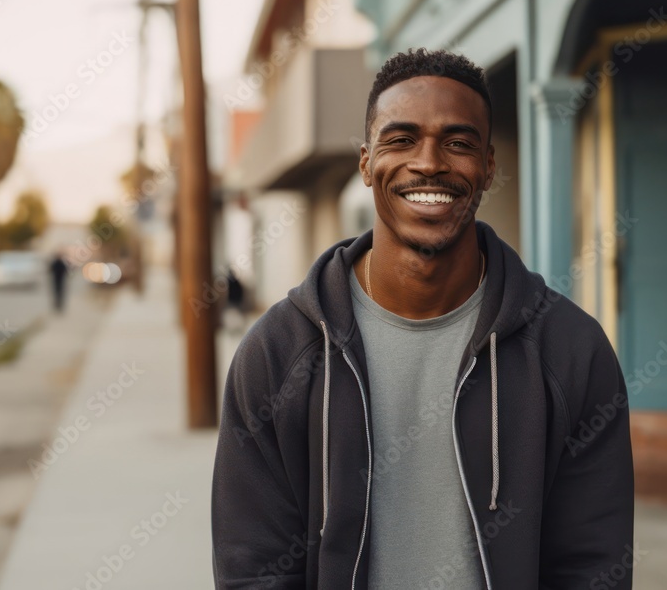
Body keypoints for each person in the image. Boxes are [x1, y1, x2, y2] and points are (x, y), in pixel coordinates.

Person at [211, 49, 634, 588]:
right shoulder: (278, 353)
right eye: (401, 139)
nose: (429, 162)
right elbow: (254, 569)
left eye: (458, 143)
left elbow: (593, 565)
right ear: (366, 162)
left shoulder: (570, 350)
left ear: (488, 166)